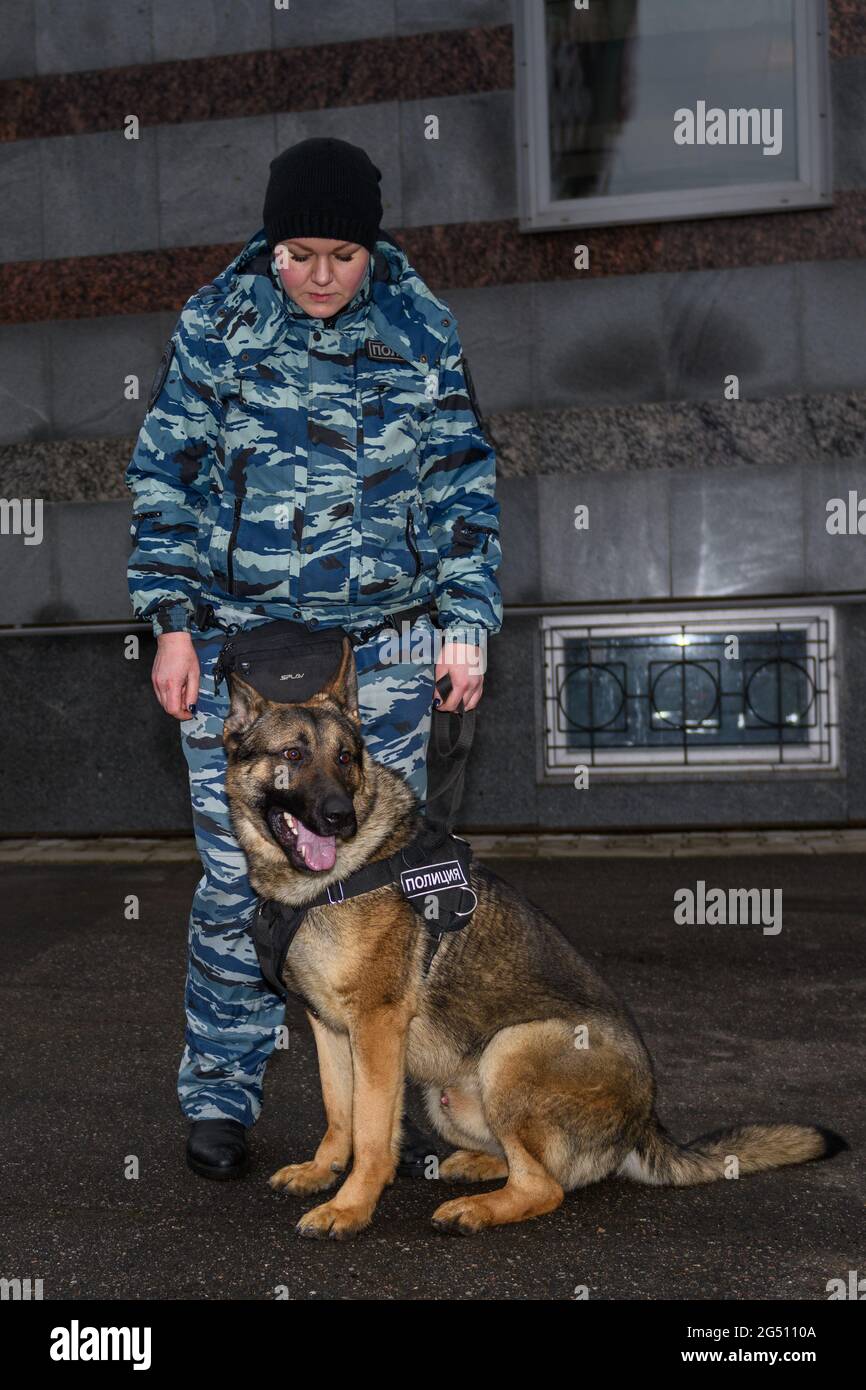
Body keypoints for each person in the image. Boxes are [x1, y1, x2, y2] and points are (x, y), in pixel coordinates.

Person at [125, 137, 503, 1179]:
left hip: (384, 647)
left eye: (343, 253)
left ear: (372, 250)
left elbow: (462, 483)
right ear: (272, 243)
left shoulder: (420, 329)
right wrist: (169, 621)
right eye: (300, 252)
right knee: (235, 889)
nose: (322, 275)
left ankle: (411, 1104)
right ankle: (220, 1100)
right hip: (237, 649)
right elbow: (167, 477)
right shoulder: (217, 323)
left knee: (383, 890)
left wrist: (465, 620)